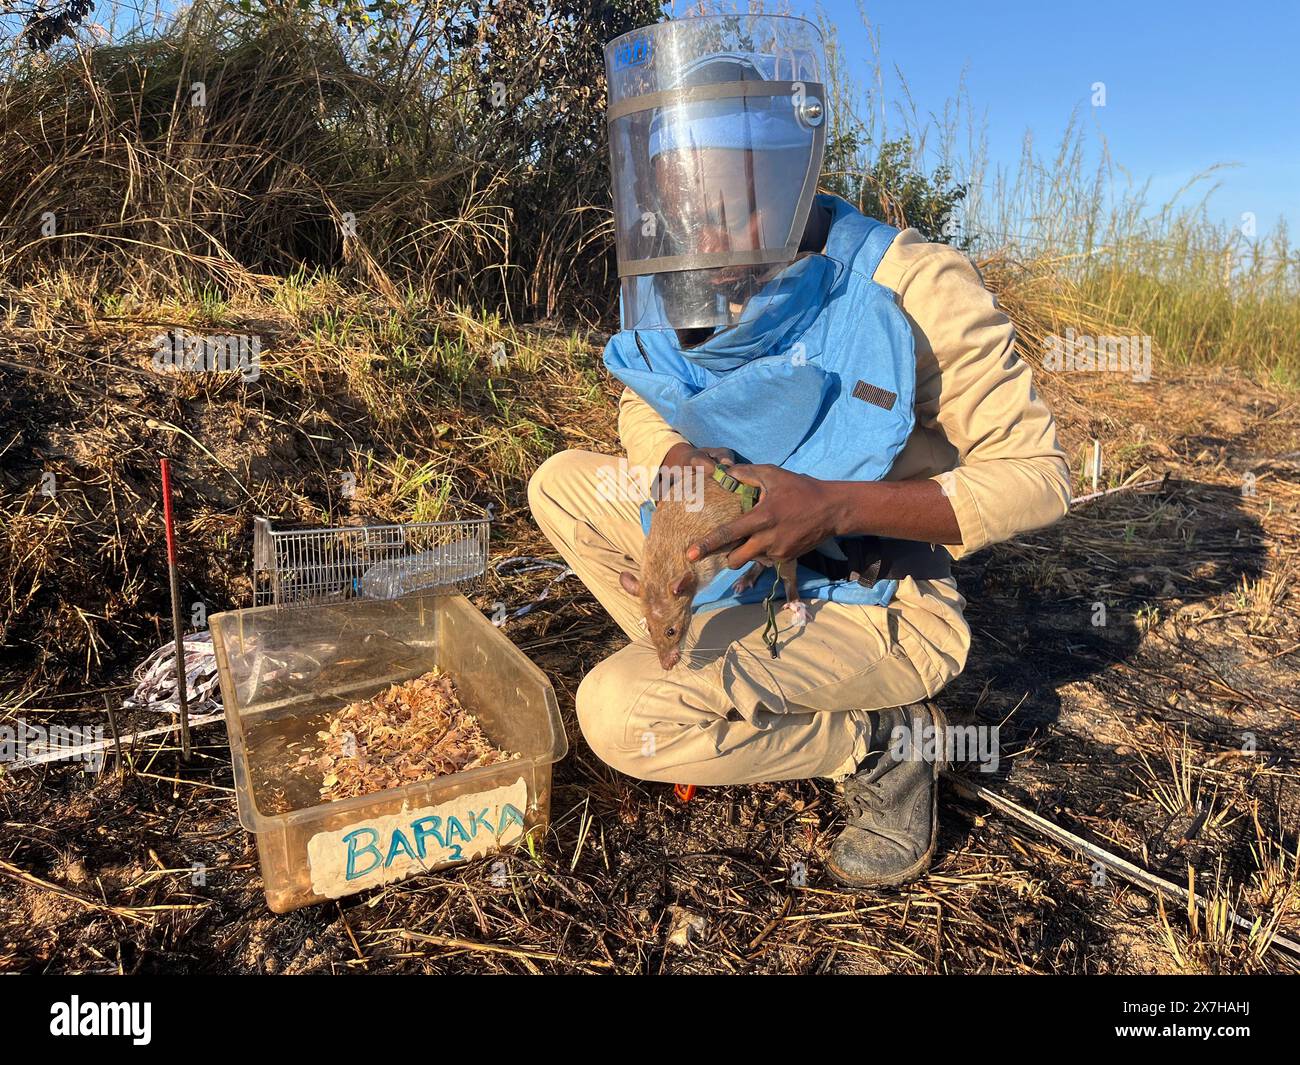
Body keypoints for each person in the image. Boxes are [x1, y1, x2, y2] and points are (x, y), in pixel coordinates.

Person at [528, 13, 1070, 889]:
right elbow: (640, 398)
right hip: (750, 555)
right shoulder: (696, 271)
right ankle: (719, 664)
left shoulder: (916, 284)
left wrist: (835, 505)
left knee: (619, 711)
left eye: (724, 197)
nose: (701, 227)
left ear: (784, 171)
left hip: (874, 589)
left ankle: (883, 741)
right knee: (558, 483)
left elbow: (1040, 479)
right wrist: (673, 453)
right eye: (681, 201)